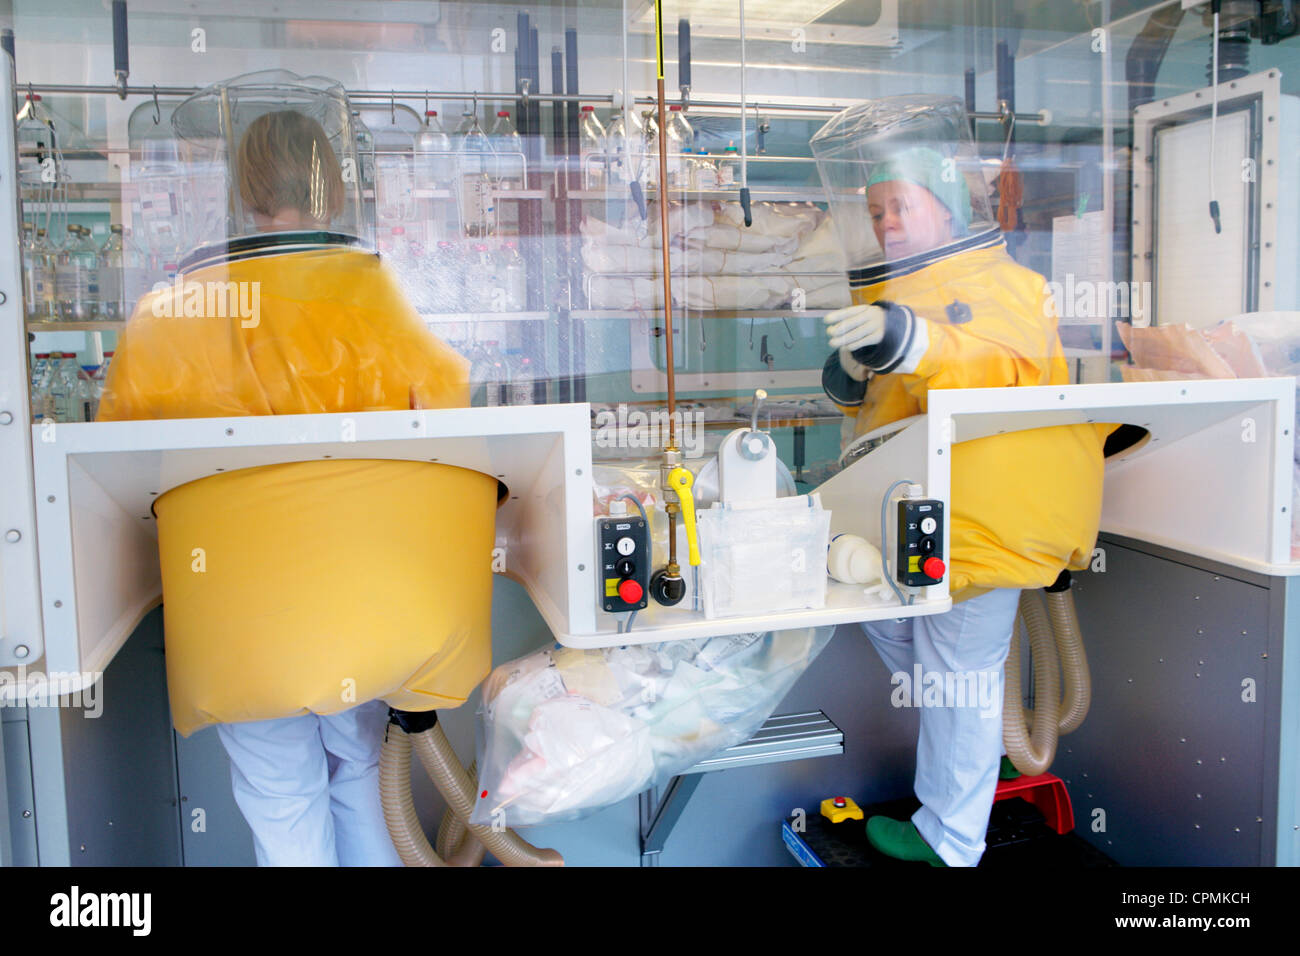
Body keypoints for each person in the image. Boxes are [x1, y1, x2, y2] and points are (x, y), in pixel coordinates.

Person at [97, 80, 496, 866]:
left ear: (239, 191)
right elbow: (453, 431)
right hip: (370, 609)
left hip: (239, 617)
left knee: (281, 795)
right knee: (361, 773)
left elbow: (117, 467)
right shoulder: (387, 302)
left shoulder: (167, 316)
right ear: (338, 185)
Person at [812, 102, 1114, 867]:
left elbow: (994, 363)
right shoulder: (897, 288)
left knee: (959, 673)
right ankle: (979, 750)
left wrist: (909, 340)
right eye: (876, 210)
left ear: (945, 207)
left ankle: (949, 839)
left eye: (901, 206)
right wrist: (854, 374)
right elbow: (890, 407)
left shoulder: (1003, 280)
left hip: (990, 514)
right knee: (908, 639)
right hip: (926, 516)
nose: (885, 223)